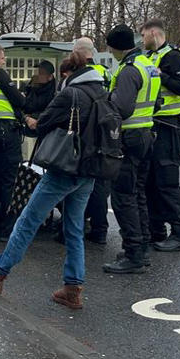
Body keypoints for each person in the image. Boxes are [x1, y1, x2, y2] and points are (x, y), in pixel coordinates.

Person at [0, 47, 105, 310]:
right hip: (89, 172)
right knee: (73, 228)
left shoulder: (70, 93)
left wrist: (28, 119)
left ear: (67, 73)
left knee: (28, 219)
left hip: (64, 169)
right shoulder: (101, 92)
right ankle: (72, 289)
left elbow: (43, 123)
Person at [101, 24, 161, 273]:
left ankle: (134, 253)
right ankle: (142, 246)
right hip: (147, 134)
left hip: (129, 136)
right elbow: (157, 102)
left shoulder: (128, 70)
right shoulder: (149, 65)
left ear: (116, 47)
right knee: (138, 193)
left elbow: (122, 107)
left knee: (123, 196)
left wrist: (108, 99)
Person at [141, 19, 180, 251]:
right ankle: (156, 229)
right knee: (150, 181)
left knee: (167, 181)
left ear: (154, 33)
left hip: (168, 125)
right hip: (152, 125)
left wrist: (162, 75)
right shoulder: (151, 57)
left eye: (143, 36)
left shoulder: (173, 55)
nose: (142, 40)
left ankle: (179, 232)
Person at [0, 43, 27, 241]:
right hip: (5, 130)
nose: (4, 61)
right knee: (11, 179)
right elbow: (18, 100)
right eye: (2, 57)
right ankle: (8, 231)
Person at [71, 37, 111, 244]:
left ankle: (86, 227)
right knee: (100, 185)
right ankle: (99, 227)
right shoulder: (106, 72)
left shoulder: (81, 73)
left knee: (88, 184)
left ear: (78, 52)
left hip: (86, 135)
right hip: (105, 134)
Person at [22, 61, 56, 137]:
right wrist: (26, 118)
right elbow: (23, 106)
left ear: (50, 77)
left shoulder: (55, 91)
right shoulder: (30, 87)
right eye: (36, 72)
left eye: (41, 73)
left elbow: (52, 112)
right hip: (28, 130)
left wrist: (34, 117)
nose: (36, 75)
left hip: (46, 133)